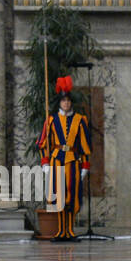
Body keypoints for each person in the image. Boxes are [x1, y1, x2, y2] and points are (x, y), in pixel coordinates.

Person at [39, 77, 91, 242]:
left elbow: (85, 145)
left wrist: (85, 165)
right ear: (59, 103)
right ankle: (61, 231)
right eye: (63, 101)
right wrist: (45, 162)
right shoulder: (51, 120)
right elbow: (43, 143)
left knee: (72, 196)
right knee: (59, 196)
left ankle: (70, 231)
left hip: (74, 162)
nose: (66, 104)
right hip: (56, 161)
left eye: (68, 101)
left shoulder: (80, 120)